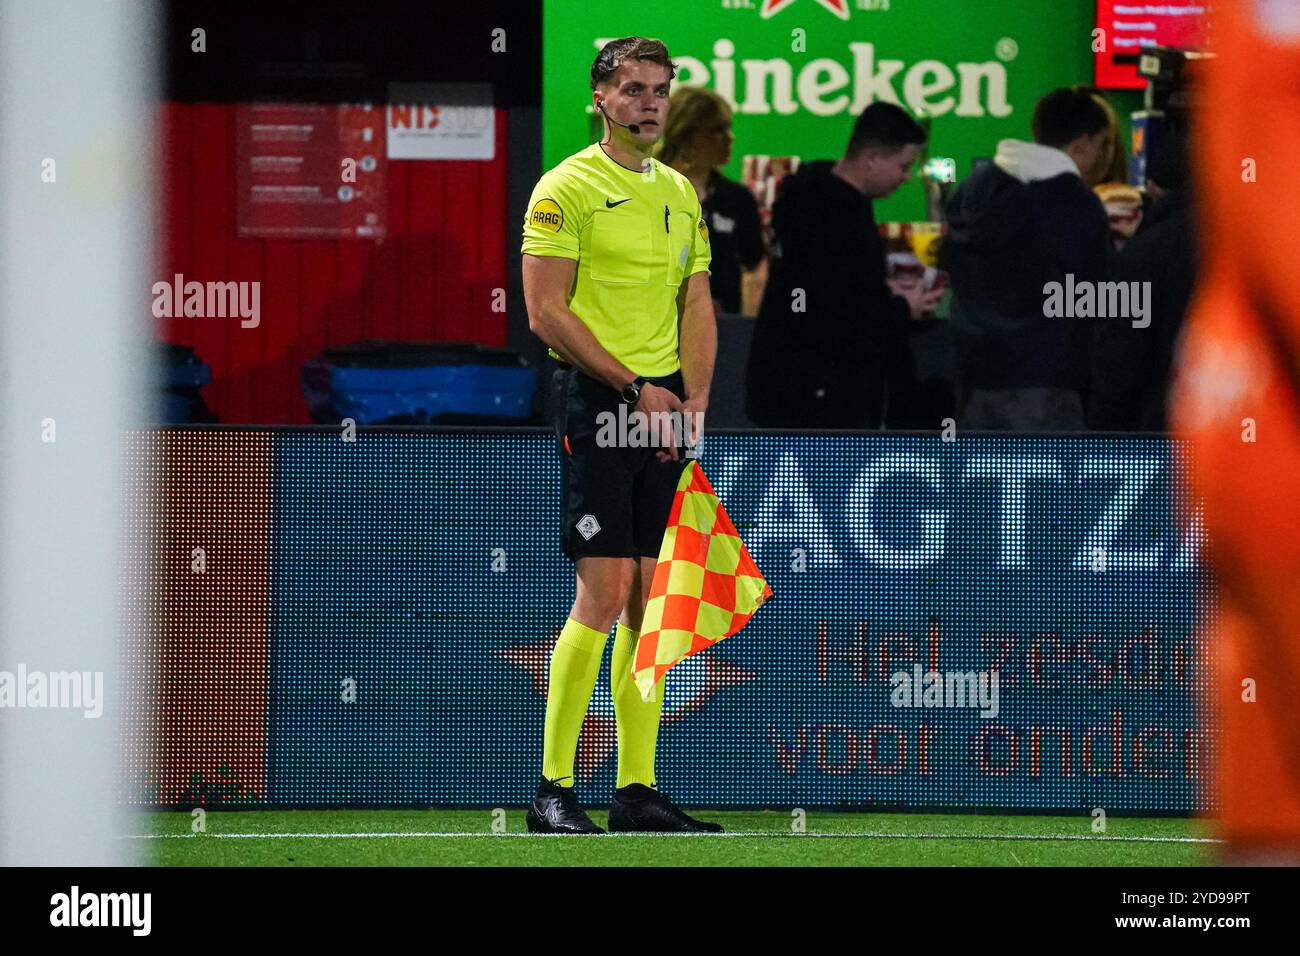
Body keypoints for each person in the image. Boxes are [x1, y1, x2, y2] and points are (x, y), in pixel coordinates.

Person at [519, 37, 721, 834]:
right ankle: (552, 791)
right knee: (603, 595)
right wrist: (633, 387)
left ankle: (636, 791)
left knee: (650, 599)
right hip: (599, 407)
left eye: (660, 90)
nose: (649, 102)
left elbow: (696, 302)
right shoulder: (564, 188)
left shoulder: (679, 192)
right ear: (600, 98)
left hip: (666, 414)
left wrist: (691, 399)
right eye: (633, 88)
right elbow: (546, 312)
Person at [744, 102, 941, 428]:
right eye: (904, 166)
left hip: (794, 391)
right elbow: (837, 314)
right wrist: (903, 305)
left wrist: (884, 292)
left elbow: (834, 291)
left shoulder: (820, 200)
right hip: (815, 401)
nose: (907, 178)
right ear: (872, 158)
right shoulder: (834, 215)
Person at [941, 88, 1111, 430]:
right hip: (1046, 382)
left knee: (981, 481)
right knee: (1045, 483)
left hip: (973, 377)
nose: (1100, 156)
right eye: (1100, 144)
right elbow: (1093, 299)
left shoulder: (975, 186)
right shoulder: (1077, 204)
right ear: (1080, 144)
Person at [1089, 135, 1196, 430]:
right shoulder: (1254, 239)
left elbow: (1118, 351)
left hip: (1159, 422)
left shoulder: (1146, 249)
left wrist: (1105, 426)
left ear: (1153, 188)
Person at [656, 85, 765, 316]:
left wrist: (743, 329)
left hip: (722, 333)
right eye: (717, 130)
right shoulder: (647, 186)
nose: (730, 137)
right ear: (686, 134)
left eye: (728, 128)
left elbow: (754, 268)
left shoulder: (737, 199)